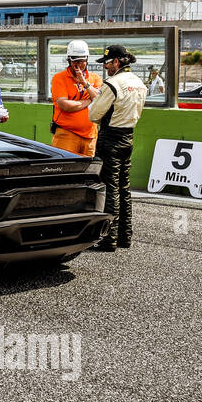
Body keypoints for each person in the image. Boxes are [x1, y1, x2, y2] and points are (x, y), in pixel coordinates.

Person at [85, 44, 147, 251]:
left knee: (109, 188)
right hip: (128, 137)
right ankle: (124, 236)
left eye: (107, 63)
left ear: (117, 62)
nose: (106, 68)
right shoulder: (139, 83)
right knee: (124, 187)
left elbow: (93, 115)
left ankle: (108, 238)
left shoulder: (112, 84)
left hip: (109, 138)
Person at [48, 40, 101, 156]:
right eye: (75, 61)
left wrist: (85, 83)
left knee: (88, 171)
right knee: (64, 169)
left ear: (87, 60)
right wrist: (89, 100)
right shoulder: (59, 78)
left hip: (90, 135)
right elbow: (65, 105)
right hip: (66, 134)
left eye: (82, 61)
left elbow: (100, 101)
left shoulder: (95, 78)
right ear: (69, 60)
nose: (79, 64)